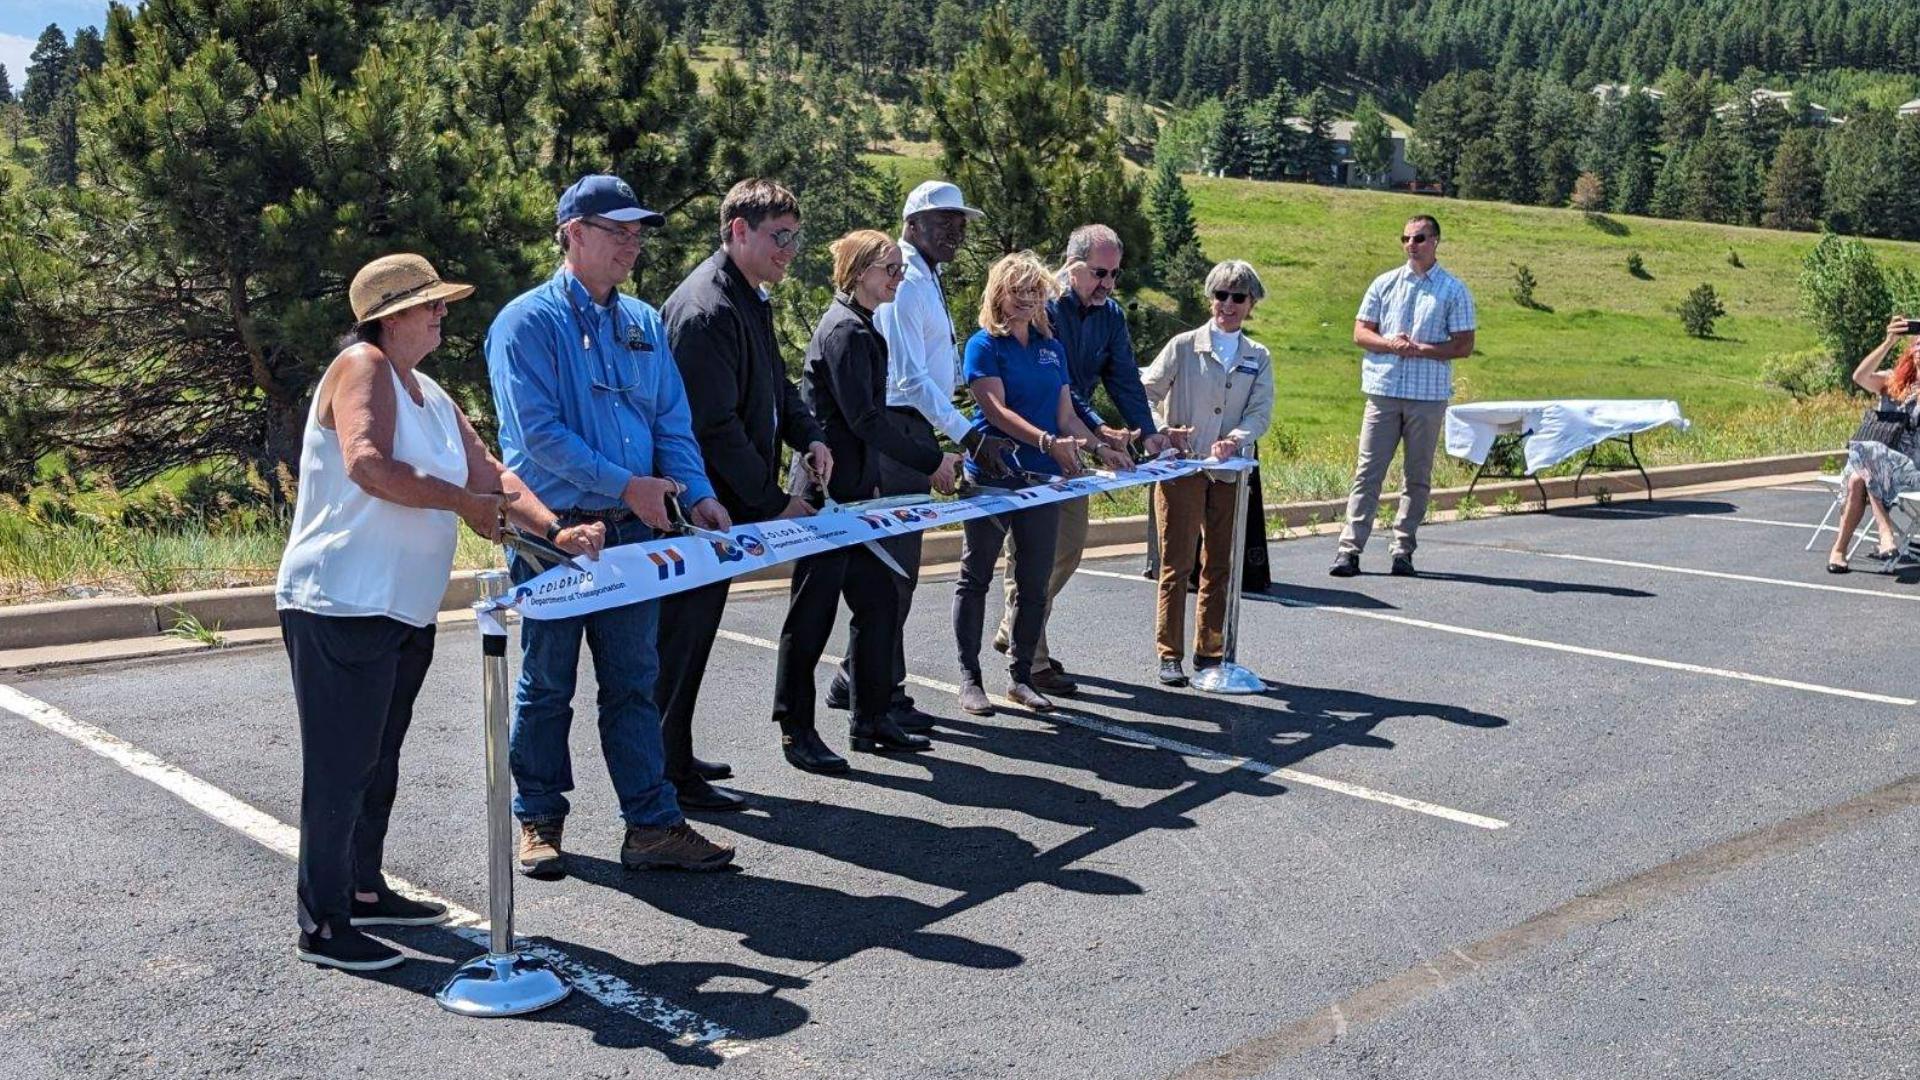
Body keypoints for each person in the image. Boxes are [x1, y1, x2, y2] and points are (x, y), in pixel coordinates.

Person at [277, 253, 606, 971]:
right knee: (341, 766)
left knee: (377, 759)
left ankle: (363, 889)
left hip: (398, 606)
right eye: (429, 304)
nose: (441, 313)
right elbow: (367, 463)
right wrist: (463, 505)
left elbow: (495, 477)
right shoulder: (361, 364)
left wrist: (554, 531)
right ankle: (322, 925)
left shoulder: (426, 389)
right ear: (390, 315)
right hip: (341, 602)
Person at [487, 173, 736, 878]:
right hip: (553, 535)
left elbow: (669, 421)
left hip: (632, 534)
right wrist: (625, 482)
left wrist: (698, 492)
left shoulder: (643, 322)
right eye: (616, 230)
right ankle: (539, 818)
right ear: (573, 235)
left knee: (634, 681)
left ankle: (651, 826)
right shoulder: (525, 324)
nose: (633, 243)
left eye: (637, 231)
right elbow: (538, 438)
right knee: (547, 684)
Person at [657, 179, 832, 811]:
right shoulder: (706, 309)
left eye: (795, 236)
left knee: (693, 642)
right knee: (678, 645)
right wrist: (771, 501)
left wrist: (808, 434)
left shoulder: (746, 297)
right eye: (778, 237)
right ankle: (668, 777)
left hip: (727, 508)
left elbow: (777, 387)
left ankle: (674, 756)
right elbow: (714, 427)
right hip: (701, 510)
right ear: (738, 232)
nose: (790, 250)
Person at [775, 230, 959, 765]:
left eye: (902, 269)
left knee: (878, 603)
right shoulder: (847, 331)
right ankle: (796, 730)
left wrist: (875, 482)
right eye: (890, 269)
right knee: (810, 618)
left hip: (855, 495)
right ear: (858, 272)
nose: (899, 277)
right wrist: (933, 459)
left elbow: (861, 425)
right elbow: (866, 420)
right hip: (826, 497)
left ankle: (871, 718)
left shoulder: (862, 325)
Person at [830, 181, 1010, 725]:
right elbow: (908, 379)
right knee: (891, 575)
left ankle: (862, 681)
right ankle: (878, 691)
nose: (956, 231)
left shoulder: (923, 275)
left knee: (898, 575)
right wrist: (966, 434)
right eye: (943, 221)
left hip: (910, 429)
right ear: (912, 224)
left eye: (961, 222)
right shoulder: (904, 281)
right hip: (893, 432)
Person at [993, 224, 1174, 696]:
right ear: (1072, 266)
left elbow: (1124, 381)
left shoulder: (1109, 315)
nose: (1108, 285)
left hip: (1071, 442)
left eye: (1114, 274)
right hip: (1029, 443)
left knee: (1069, 548)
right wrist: (1096, 433)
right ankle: (1030, 659)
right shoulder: (1041, 308)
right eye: (1099, 273)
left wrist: (1149, 435)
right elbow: (1061, 389)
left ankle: (1018, 627)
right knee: (1032, 554)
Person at [954, 251, 1133, 715]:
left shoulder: (1051, 348)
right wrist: (1048, 441)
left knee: (1034, 582)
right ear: (999, 292)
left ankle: (1020, 677)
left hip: (1043, 481)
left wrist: (1098, 449)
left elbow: (1067, 414)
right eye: (1018, 291)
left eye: (1035, 293)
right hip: (994, 478)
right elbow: (995, 411)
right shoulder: (982, 345)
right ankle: (969, 679)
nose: (1027, 300)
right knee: (975, 579)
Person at [1141, 261, 1275, 687]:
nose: (1228, 305)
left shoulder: (1259, 356)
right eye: (1221, 295)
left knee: (1218, 564)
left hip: (1228, 473)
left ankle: (1210, 652)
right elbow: (1144, 391)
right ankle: (1169, 654)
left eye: (1238, 297)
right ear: (1209, 298)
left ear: (1251, 304)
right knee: (1176, 564)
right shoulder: (1183, 345)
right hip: (1182, 470)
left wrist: (1236, 438)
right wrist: (1161, 432)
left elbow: (1260, 411)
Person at [1329, 214, 1475, 579]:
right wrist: (1390, 344)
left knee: (1417, 476)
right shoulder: (1384, 284)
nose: (1412, 244)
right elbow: (1361, 332)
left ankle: (1403, 549)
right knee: (1367, 472)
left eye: (1420, 238)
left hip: (1427, 396)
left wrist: (1421, 349)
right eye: (1407, 238)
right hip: (1384, 390)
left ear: (1436, 241)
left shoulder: (1453, 290)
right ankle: (1349, 550)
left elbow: (1464, 345)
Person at [1825, 315, 1920, 573]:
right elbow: (1859, 376)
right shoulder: (1893, 382)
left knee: (1867, 455)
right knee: (1859, 477)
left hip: (1911, 470)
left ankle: (1851, 544)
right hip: (1875, 468)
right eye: (1917, 342)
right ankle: (1865, 539)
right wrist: (1889, 342)